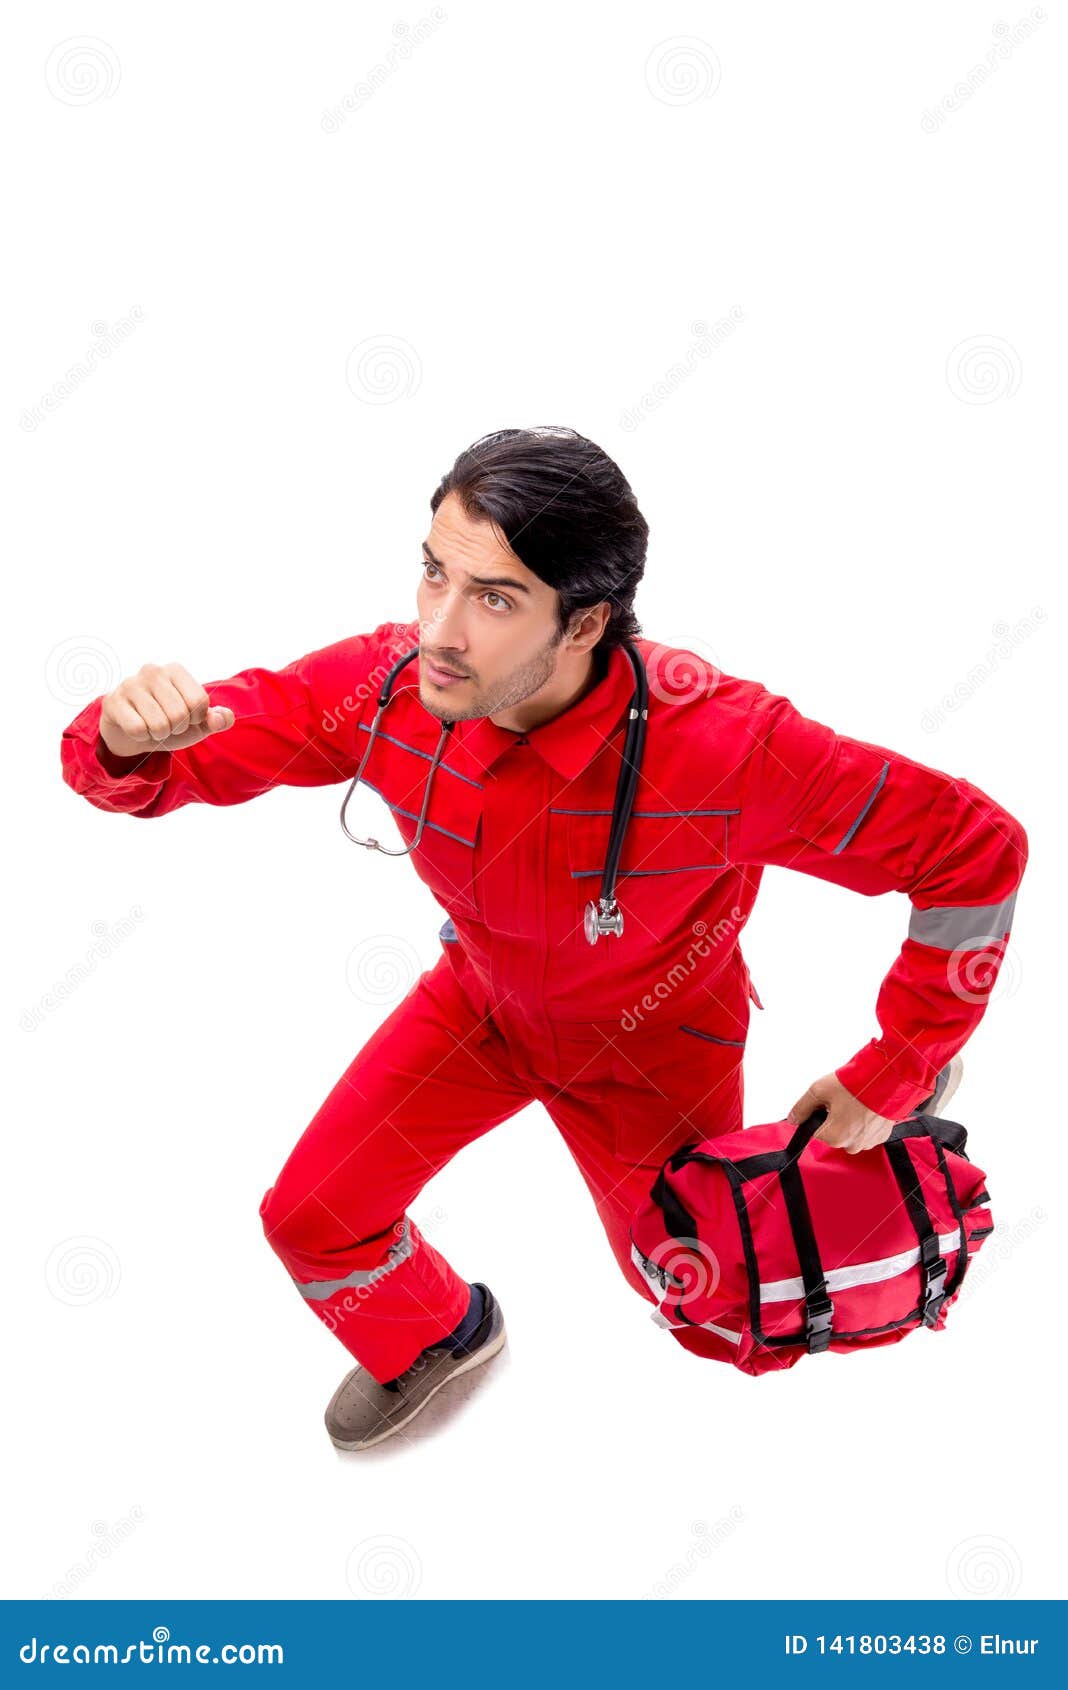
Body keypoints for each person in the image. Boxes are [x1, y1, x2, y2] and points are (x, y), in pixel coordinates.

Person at [59, 426, 1027, 1451]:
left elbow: (973, 850)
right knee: (310, 1220)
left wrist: (895, 1064)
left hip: (654, 1043)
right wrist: (123, 737)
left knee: (708, 1298)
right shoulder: (387, 686)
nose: (439, 629)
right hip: (483, 1008)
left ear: (586, 622)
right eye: (436, 574)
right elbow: (161, 761)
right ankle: (442, 1337)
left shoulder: (724, 744)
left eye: (496, 599)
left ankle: (913, 1103)